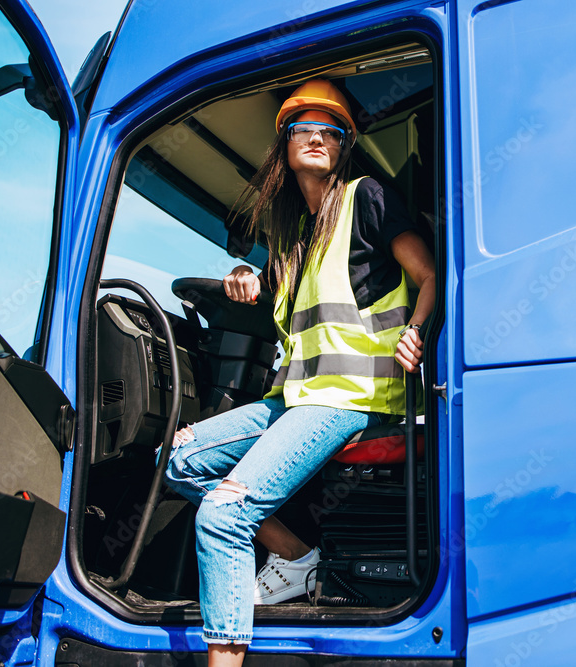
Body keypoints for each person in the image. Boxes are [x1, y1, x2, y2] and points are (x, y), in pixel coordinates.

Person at [163, 78, 435, 667]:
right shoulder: (293, 237)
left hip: (349, 396)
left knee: (226, 512)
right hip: (295, 397)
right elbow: (275, 299)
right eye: (303, 128)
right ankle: (294, 559)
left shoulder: (367, 197)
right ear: (284, 144)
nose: (316, 136)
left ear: (344, 145)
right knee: (177, 459)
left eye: (330, 130)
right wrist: (243, 275)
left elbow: (430, 272)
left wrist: (416, 330)